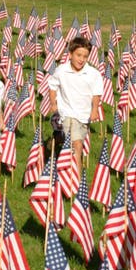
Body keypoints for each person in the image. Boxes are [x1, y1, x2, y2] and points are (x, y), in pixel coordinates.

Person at [47, 35, 103, 175]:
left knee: (70, 140)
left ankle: (55, 140)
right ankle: (77, 185)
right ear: (70, 54)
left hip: (83, 116)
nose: (81, 59)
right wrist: (53, 104)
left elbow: (96, 93)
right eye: (78, 55)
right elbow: (53, 86)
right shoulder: (61, 70)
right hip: (66, 113)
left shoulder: (93, 74)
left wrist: (95, 110)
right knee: (77, 146)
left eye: (85, 56)